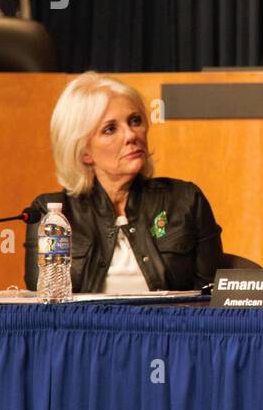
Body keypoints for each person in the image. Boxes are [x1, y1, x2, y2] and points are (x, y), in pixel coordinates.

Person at [25, 72, 223, 292]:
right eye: (110, 129)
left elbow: (211, 297)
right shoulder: (52, 215)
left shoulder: (185, 200)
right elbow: (43, 303)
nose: (131, 135)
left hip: (170, 325)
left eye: (135, 121)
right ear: (84, 153)